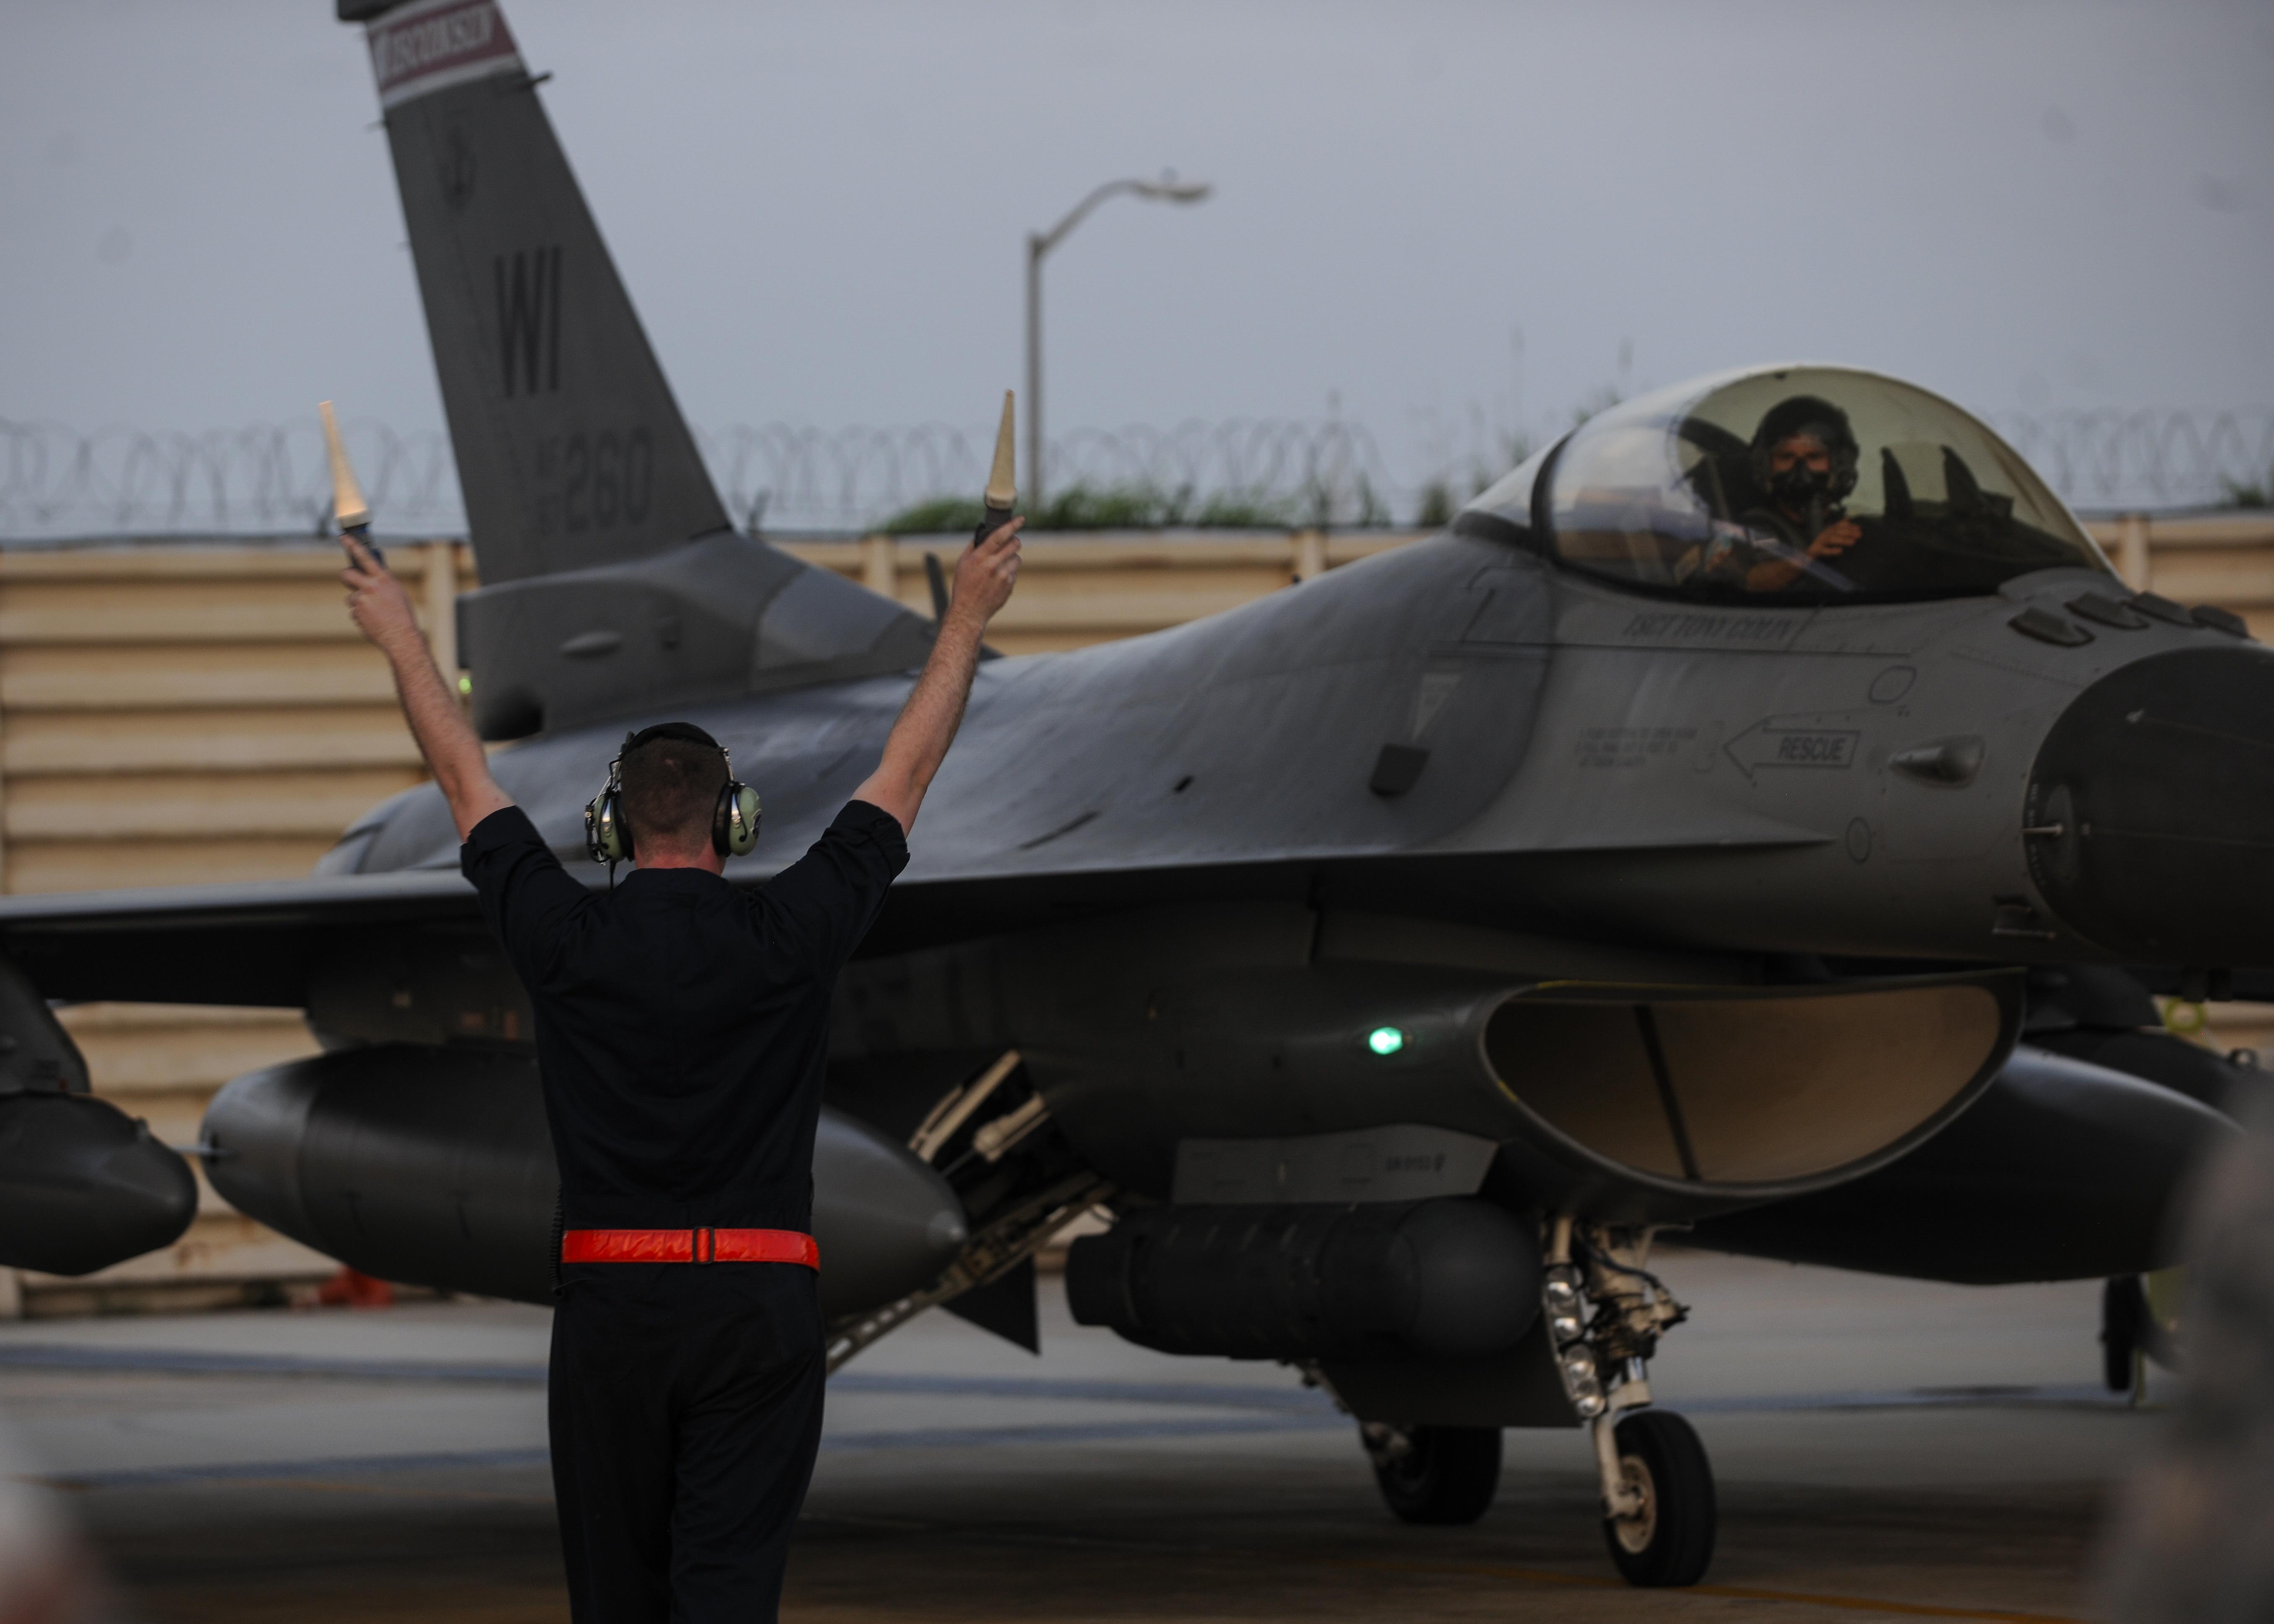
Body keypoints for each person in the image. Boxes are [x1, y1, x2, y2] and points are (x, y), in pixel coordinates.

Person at [340, 519, 1023, 1622]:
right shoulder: (794, 929)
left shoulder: (562, 936)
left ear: (609, 825)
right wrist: (966, 617)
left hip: (613, 1306)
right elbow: (905, 771)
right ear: (736, 822)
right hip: (760, 1299)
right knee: (729, 1591)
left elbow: (464, 777)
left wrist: (400, 635)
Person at [1724, 396, 1865, 593]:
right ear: (1766, 465)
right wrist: (1808, 558)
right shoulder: (1754, 529)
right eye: (1786, 457)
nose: (1801, 470)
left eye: (1814, 456)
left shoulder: (1847, 528)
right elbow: (1753, 582)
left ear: (1839, 464)